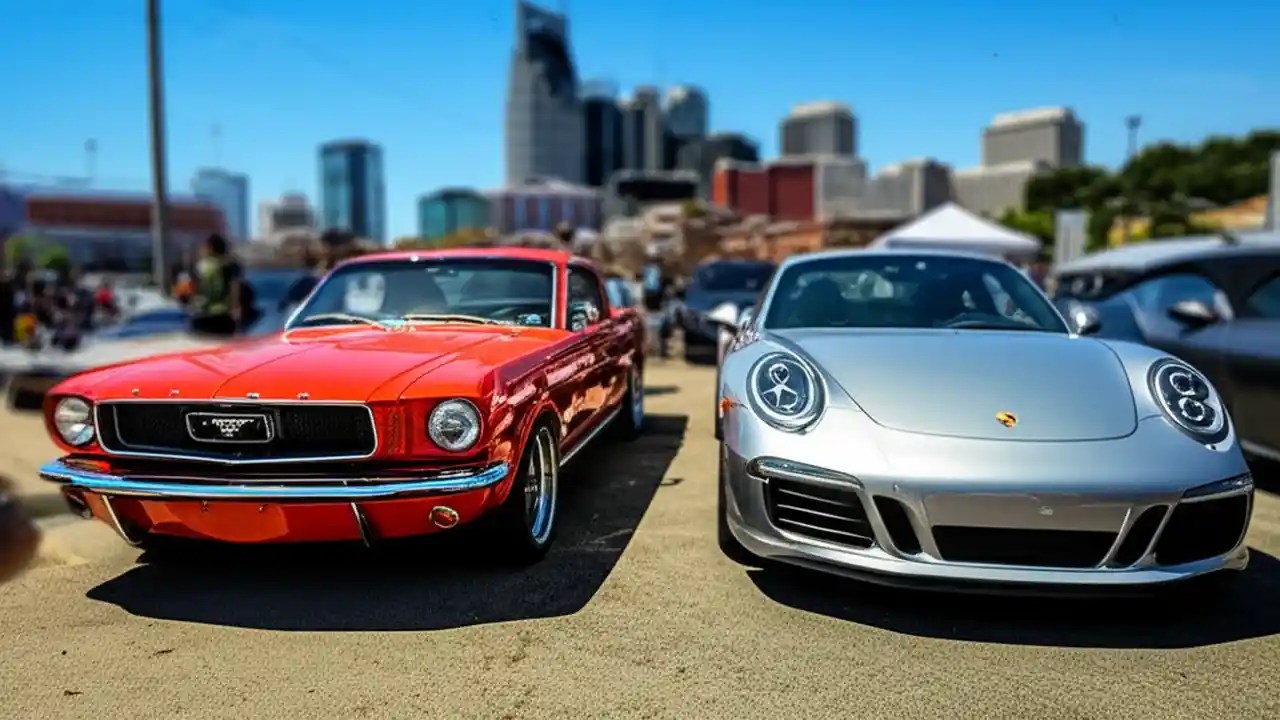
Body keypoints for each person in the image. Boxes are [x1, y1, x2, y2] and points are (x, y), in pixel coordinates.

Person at [189, 233, 246, 336]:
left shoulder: (200, 266)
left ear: (210, 248)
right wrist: (236, 310)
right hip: (223, 316)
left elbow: (192, 290)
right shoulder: (231, 265)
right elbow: (235, 289)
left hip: (201, 314)